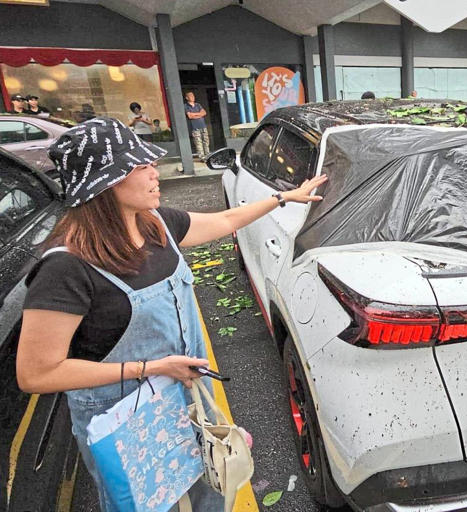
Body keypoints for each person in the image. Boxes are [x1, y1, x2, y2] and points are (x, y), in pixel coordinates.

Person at [16, 117, 328, 511]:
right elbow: (37, 373)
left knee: (210, 488)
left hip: (185, 397)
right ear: (104, 183)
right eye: (140, 167)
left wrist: (284, 197)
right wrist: (152, 367)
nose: (154, 173)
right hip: (123, 417)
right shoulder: (65, 266)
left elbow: (226, 220)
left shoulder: (156, 223)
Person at [184, 91, 210, 158]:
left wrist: (195, 114)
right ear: (187, 98)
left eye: (193, 96)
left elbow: (204, 113)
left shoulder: (198, 105)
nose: (193, 97)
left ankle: (208, 155)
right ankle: (202, 157)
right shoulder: (186, 106)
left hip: (203, 126)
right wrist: (199, 114)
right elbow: (190, 116)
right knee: (198, 143)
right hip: (195, 127)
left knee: (206, 141)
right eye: (191, 96)